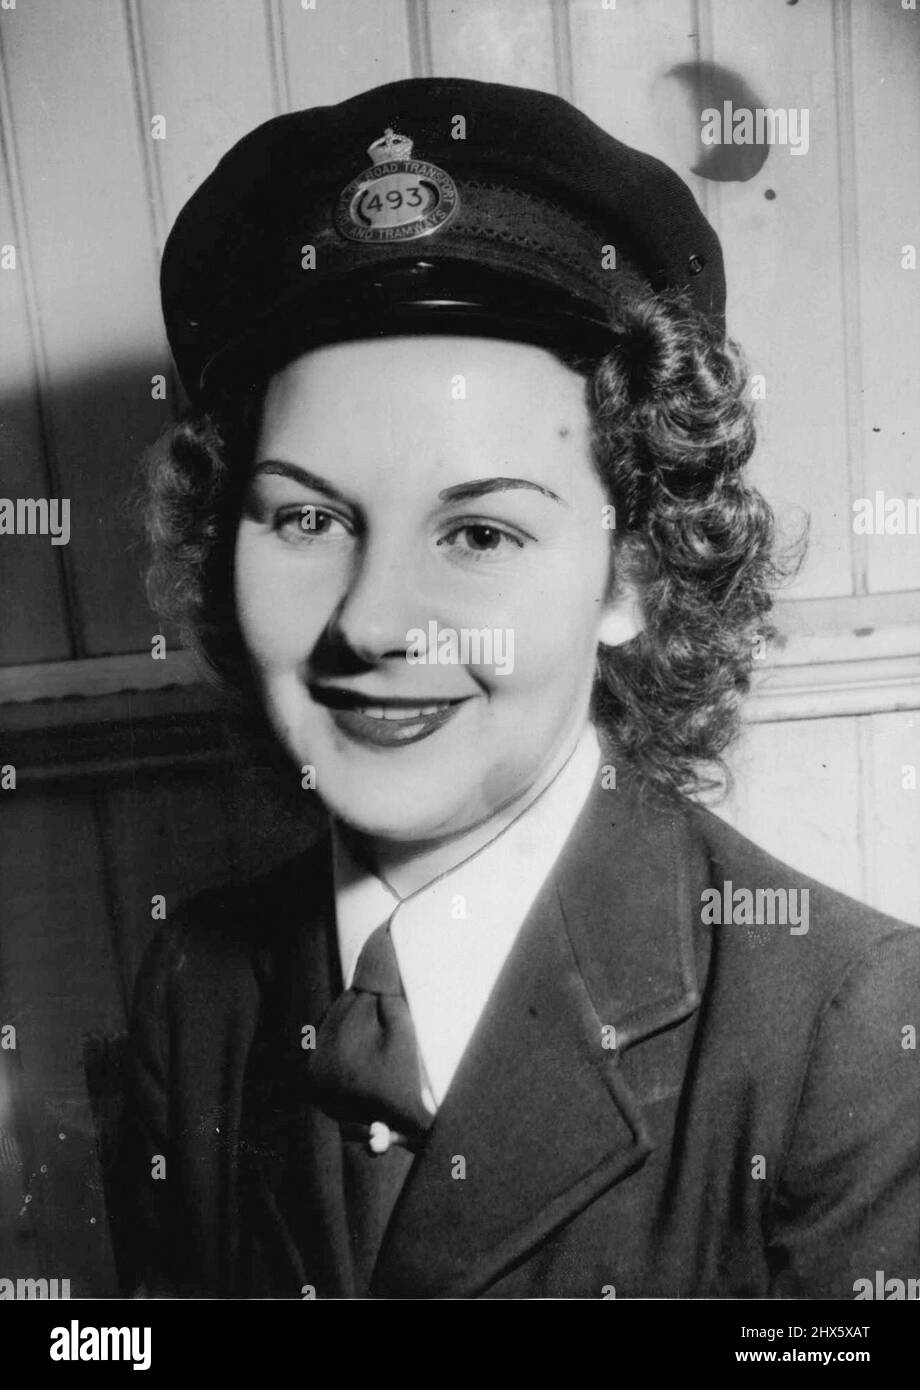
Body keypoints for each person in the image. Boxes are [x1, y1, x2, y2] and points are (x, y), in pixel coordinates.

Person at [125, 77, 920, 1299]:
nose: (371, 620)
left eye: (479, 533)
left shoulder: (848, 1037)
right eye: (308, 517)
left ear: (632, 571)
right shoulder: (198, 989)